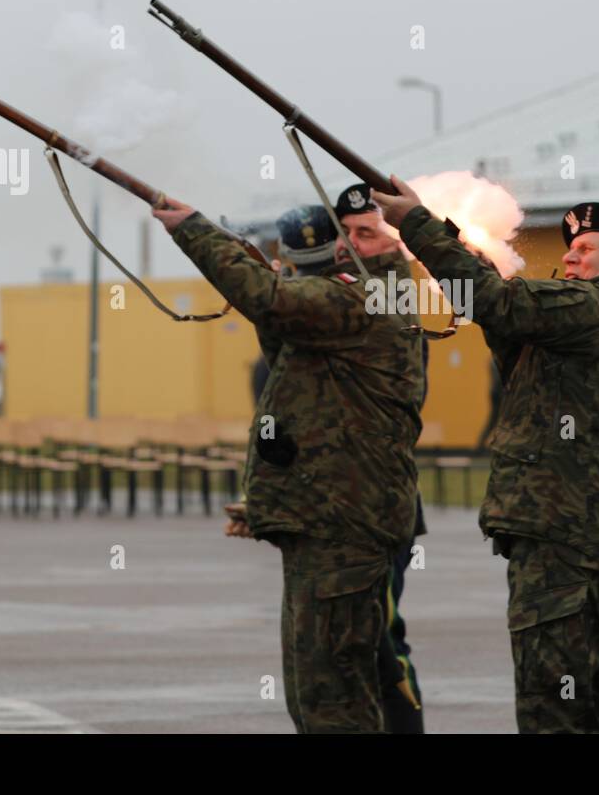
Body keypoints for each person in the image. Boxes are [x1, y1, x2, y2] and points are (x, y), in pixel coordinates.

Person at [375, 184, 599, 734]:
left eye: (587, 250)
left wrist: (417, 224)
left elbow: (499, 304)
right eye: (570, 248)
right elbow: (506, 319)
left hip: (567, 540)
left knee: (551, 711)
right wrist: (465, 254)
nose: (570, 256)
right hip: (587, 538)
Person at [154, 186, 424, 734]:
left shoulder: (373, 300)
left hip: (349, 523)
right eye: (344, 233)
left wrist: (194, 229)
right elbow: (302, 384)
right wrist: (271, 498)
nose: (348, 244)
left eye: (363, 234)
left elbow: (273, 301)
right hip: (323, 517)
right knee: (314, 687)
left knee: (341, 689)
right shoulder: (347, 302)